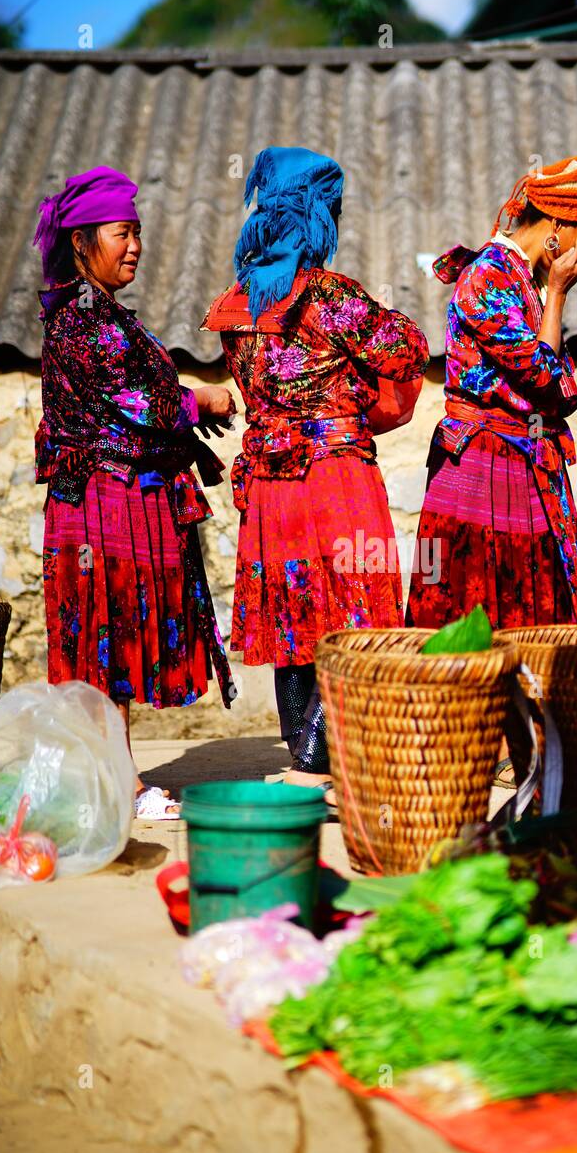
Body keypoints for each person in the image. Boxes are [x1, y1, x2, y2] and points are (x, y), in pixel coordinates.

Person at [202, 146, 428, 797]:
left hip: (270, 487)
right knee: (355, 613)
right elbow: (406, 346)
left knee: (293, 614)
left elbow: (261, 380)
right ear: (320, 214)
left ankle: (307, 756)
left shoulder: (236, 303)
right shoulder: (332, 297)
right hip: (334, 479)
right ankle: (329, 762)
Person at [33, 165, 237, 819]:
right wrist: (201, 398)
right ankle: (113, 787)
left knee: (109, 640)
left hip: (113, 495)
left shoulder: (100, 313)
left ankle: (111, 780)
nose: (136, 246)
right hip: (102, 499)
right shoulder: (83, 320)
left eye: (138, 233)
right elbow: (137, 402)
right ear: (81, 241)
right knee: (105, 637)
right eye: (122, 233)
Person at [406, 154, 577, 631]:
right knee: (482, 612)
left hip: (522, 460)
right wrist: (556, 294)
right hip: (485, 465)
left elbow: (554, 383)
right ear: (558, 225)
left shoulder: (521, 280)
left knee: (531, 617)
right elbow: (542, 375)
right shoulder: (487, 278)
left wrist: (550, 294)